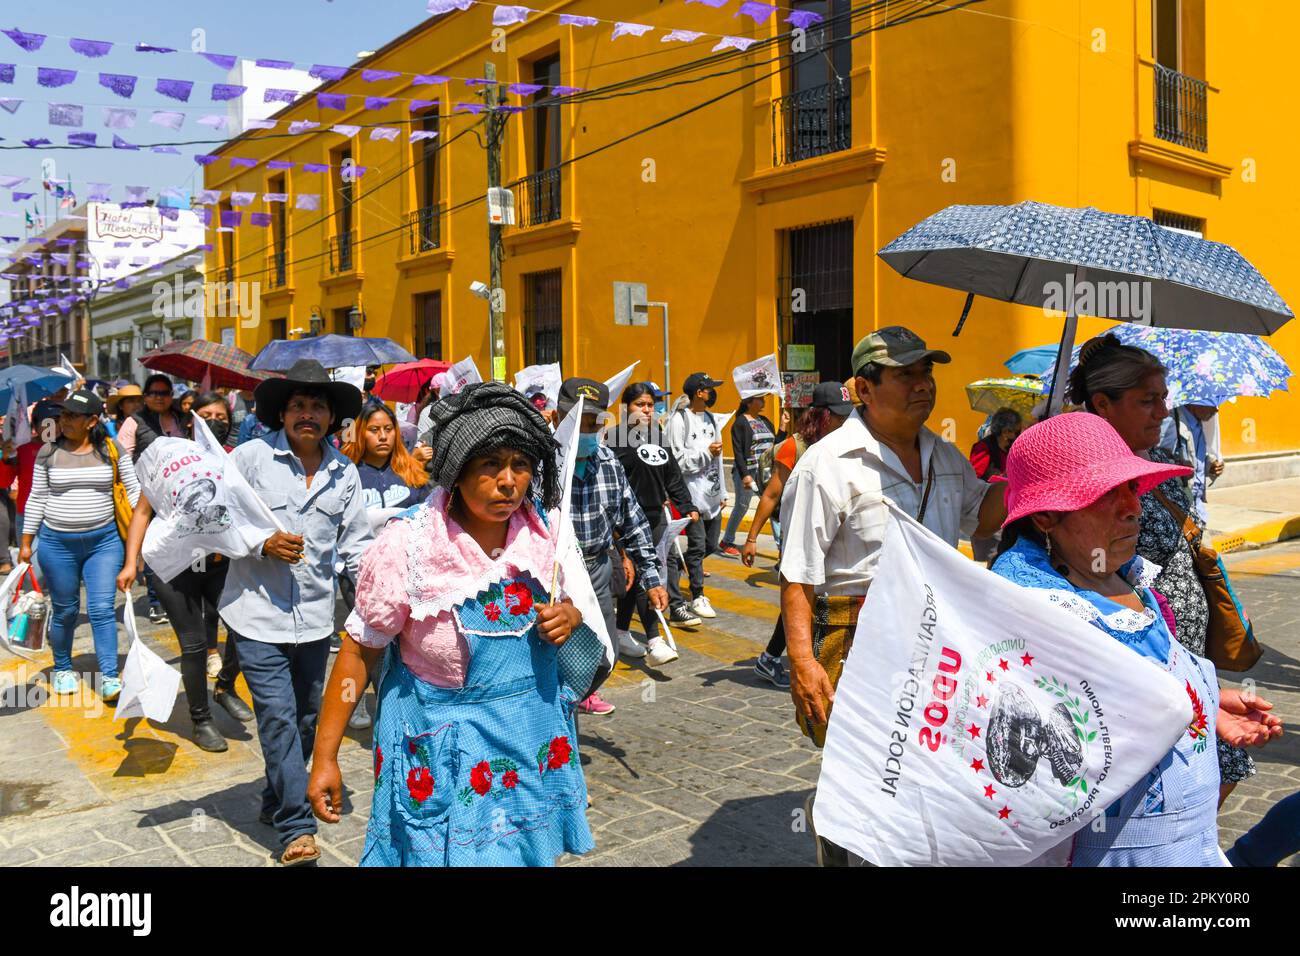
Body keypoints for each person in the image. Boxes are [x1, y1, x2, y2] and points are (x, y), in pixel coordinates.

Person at [307, 383, 594, 866]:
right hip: (446, 754)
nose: (509, 482)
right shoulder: (410, 548)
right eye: (491, 465)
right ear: (457, 472)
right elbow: (360, 650)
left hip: (530, 738)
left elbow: (571, 600)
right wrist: (325, 756)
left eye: (520, 466)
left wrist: (569, 615)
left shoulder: (543, 532)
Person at [989, 412, 1281, 865]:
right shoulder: (1038, 614)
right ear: (1046, 515)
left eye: (1132, 488)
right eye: (1108, 493)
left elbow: (1145, 680)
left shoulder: (1124, 576)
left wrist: (1205, 702)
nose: (1135, 507)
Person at [780, 327, 1007, 866]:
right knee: (859, 767)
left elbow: (984, 518)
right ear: (863, 388)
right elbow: (797, 576)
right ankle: (840, 845)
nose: (923, 385)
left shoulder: (948, 458)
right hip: (856, 635)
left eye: (926, 373)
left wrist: (1026, 469)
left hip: (939, 636)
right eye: (906, 375)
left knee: (924, 766)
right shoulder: (827, 465)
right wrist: (804, 662)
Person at [1068, 333, 1257, 804]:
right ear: (1103, 404)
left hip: (1187, 655)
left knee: (1215, 775)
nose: (1162, 411)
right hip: (1138, 660)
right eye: (1147, 400)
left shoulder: (1162, 464)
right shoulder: (1085, 475)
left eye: (1163, 398)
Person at [216, 359, 372, 865]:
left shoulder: (344, 472)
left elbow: (355, 546)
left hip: (314, 621)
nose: (308, 414)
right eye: (298, 406)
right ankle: (295, 827)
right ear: (282, 413)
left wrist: (377, 598)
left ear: (331, 418)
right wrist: (261, 543)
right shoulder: (249, 459)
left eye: (318, 407)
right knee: (279, 719)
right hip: (255, 616)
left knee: (307, 720)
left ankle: (272, 795)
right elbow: (216, 522)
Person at [117, 391, 255, 753]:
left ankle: (225, 686)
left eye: (222, 417)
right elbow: (143, 513)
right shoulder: (170, 458)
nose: (215, 422)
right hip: (173, 567)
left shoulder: (235, 461)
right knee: (193, 645)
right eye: (207, 415)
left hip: (218, 565)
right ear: (192, 421)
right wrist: (132, 562)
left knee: (245, 628)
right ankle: (201, 719)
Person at [19, 389, 140, 700]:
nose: (64, 421)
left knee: (101, 609)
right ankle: (62, 668)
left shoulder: (111, 450)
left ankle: (110, 677)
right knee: (65, 610)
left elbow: (134, 490)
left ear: (92, 421)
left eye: (72, 415)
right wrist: (26, 543)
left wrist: (142, 536)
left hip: (105, 543)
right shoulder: (48, 452)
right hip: (56, 545)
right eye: (63, 415)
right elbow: (37, 498)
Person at [560, 378, 668, 716]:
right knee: (556, 656)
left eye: (594, 423)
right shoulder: (540, 466)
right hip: (556, 577)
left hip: (598, 569)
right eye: (580, 423)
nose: (587, 430)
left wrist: (651, 579)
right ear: (557, 419)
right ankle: (555, 716)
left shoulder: (608, 462)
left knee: (605, 654)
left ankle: (574, 698)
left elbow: (633, 522)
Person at [741, 382, 853, 688]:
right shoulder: (796, 446)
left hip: (832, 532)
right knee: (804, 593)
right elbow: (771, 494)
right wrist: (751, 538)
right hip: (798, 534)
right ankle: (773, 657)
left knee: (817, 596)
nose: (845, 422)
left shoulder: (844, 444)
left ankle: (794, 655)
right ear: (821, 416)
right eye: (838, 416)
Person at [337, 400, 434, 727]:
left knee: (404, 642)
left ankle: (398, 704)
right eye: (374, 430)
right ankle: (378, 708)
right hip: (360, 576)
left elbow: (428, 517)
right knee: (370, 641)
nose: (382, 437)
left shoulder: (411, 471)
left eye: (388, 429)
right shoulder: (345, 474)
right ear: (361, 433)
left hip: (409, 574)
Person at [608, 382, 698, 665]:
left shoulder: (658, 437)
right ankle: (655, 638)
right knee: (639, 577)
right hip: (626, 521)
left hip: (656, 519)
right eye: (640, 405)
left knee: (648, 577)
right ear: (626, 408)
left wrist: (687, 505)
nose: (647, 410)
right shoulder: (613, 439)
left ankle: (623, 631)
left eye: (650, 405)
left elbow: (673, 476)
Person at [666, 372, 726, 622]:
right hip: (692, 497)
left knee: (711, 545)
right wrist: (705, 454)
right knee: (698, 545)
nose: (713, 392)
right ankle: (697, 595)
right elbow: (676, 461)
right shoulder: (679, 421)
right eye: (709, 388)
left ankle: (683, 569)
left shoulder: (712, 418)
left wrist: (722, 490)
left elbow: (719, 458)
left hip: (712, 495)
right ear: (699, 392)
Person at [719, 395, 776, 558]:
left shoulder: (765, 420)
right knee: (742, 506)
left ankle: (781, 546)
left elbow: (774, 444)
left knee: (772, 506)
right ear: (749, 402)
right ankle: (727, 541)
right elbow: (738, 451)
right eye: (759, 399)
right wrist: (745, 475)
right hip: (748, 472)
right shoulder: (741, 423)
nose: (763, 402)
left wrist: (784, 427)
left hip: (765, 472)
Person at [968, 407, 1024, 562]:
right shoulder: (984, 448)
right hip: (986, 511)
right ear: (1006, 431)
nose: (1018, 435)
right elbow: (973, 479)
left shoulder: (1011, 450)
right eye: (1017, 431)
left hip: (1006, 514)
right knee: (986, 558)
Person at [1159, 403, 1223, 525]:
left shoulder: (1197, 423)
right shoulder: (1171, 420)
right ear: (1196, 402)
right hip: (1181, 509)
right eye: (1211, 403)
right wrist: (1178, 467)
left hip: (1198, 509)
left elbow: (1195, 456)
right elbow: (1159, 460)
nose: (1216, 410)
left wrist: (1210, 465)